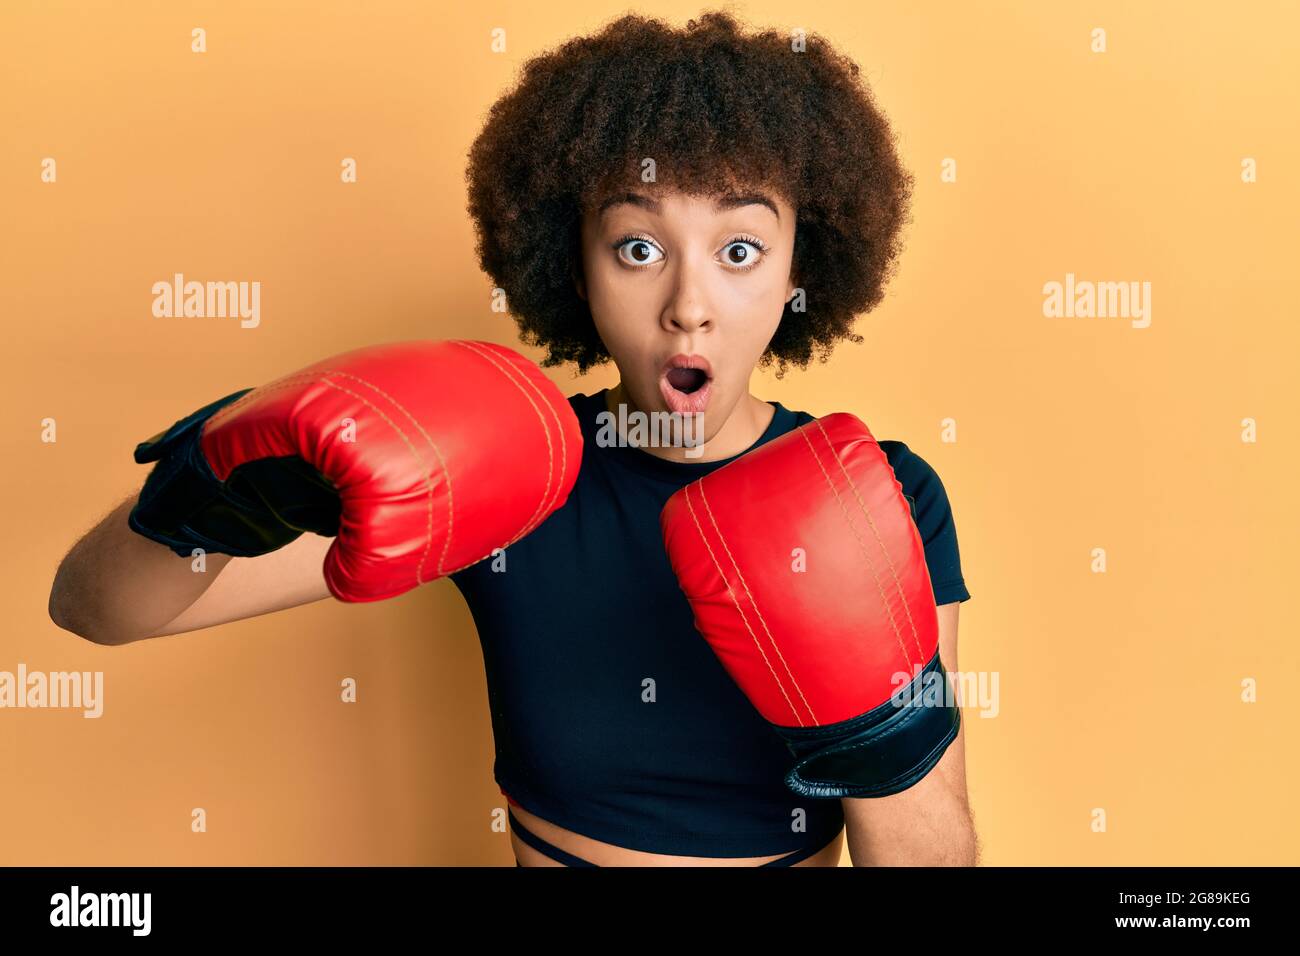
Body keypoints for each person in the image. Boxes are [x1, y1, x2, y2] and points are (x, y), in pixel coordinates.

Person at [48, 10, 976, 866]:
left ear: (798, 271)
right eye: (639, 248)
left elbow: (928, 857)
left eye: (740, 250)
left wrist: (880, 730)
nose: (689, 306)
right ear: (574, 267)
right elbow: (94, 610)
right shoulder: (514, 469)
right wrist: (214, 484)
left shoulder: (883, 496)